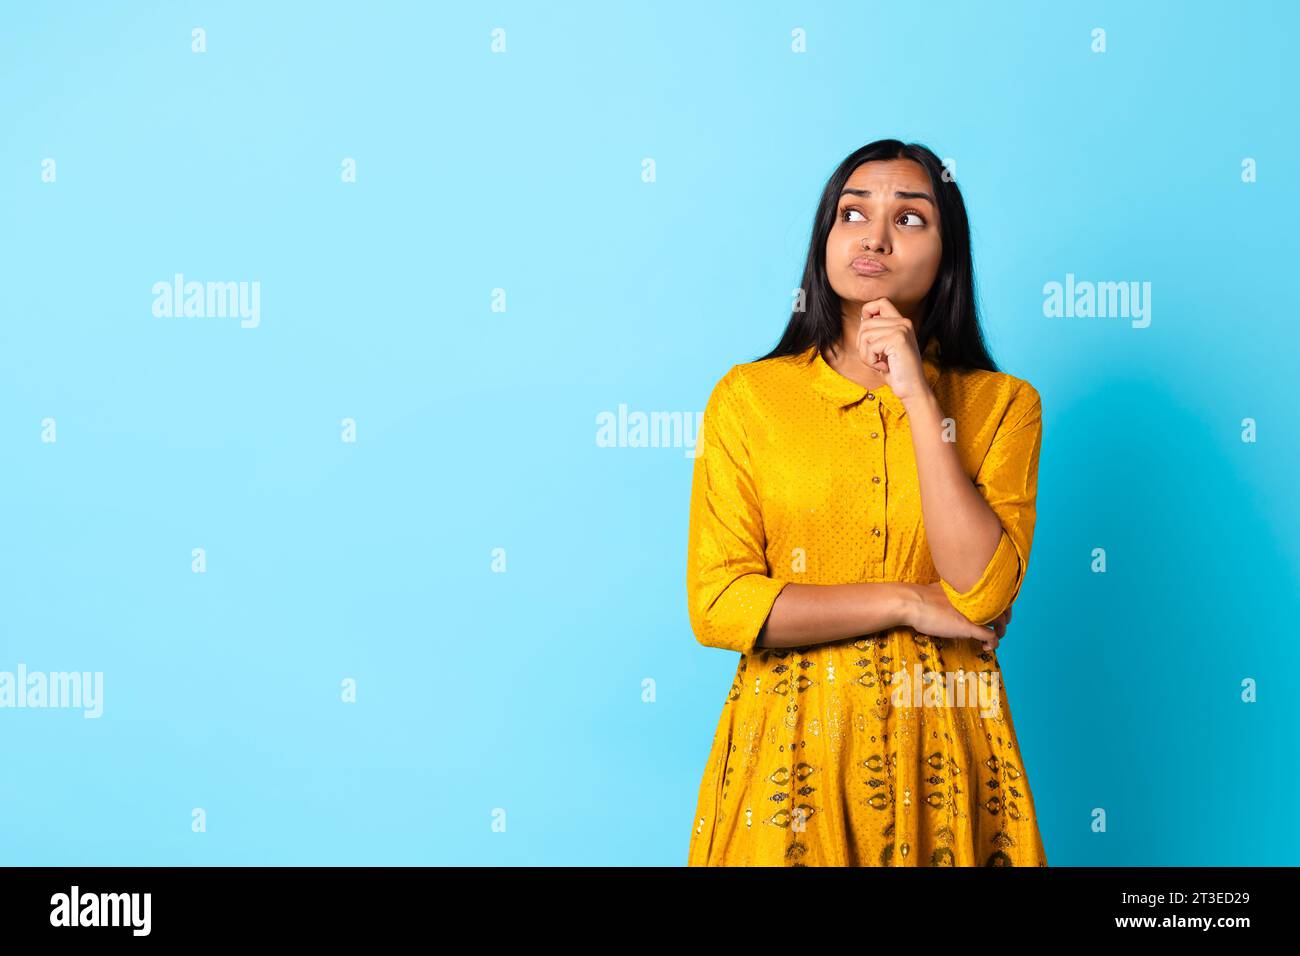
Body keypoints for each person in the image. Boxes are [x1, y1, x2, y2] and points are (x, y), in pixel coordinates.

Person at [685, 139, 1047, 867]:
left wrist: (916, 393)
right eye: (854, 213)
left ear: (949, 255)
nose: (875, 235)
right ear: (827, 239)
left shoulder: (1002, 406)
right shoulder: (750, 400)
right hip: (788, 748)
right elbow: (720, 605)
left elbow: (981, 591)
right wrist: (908, 603)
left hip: (943, 743)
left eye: (911, 219)